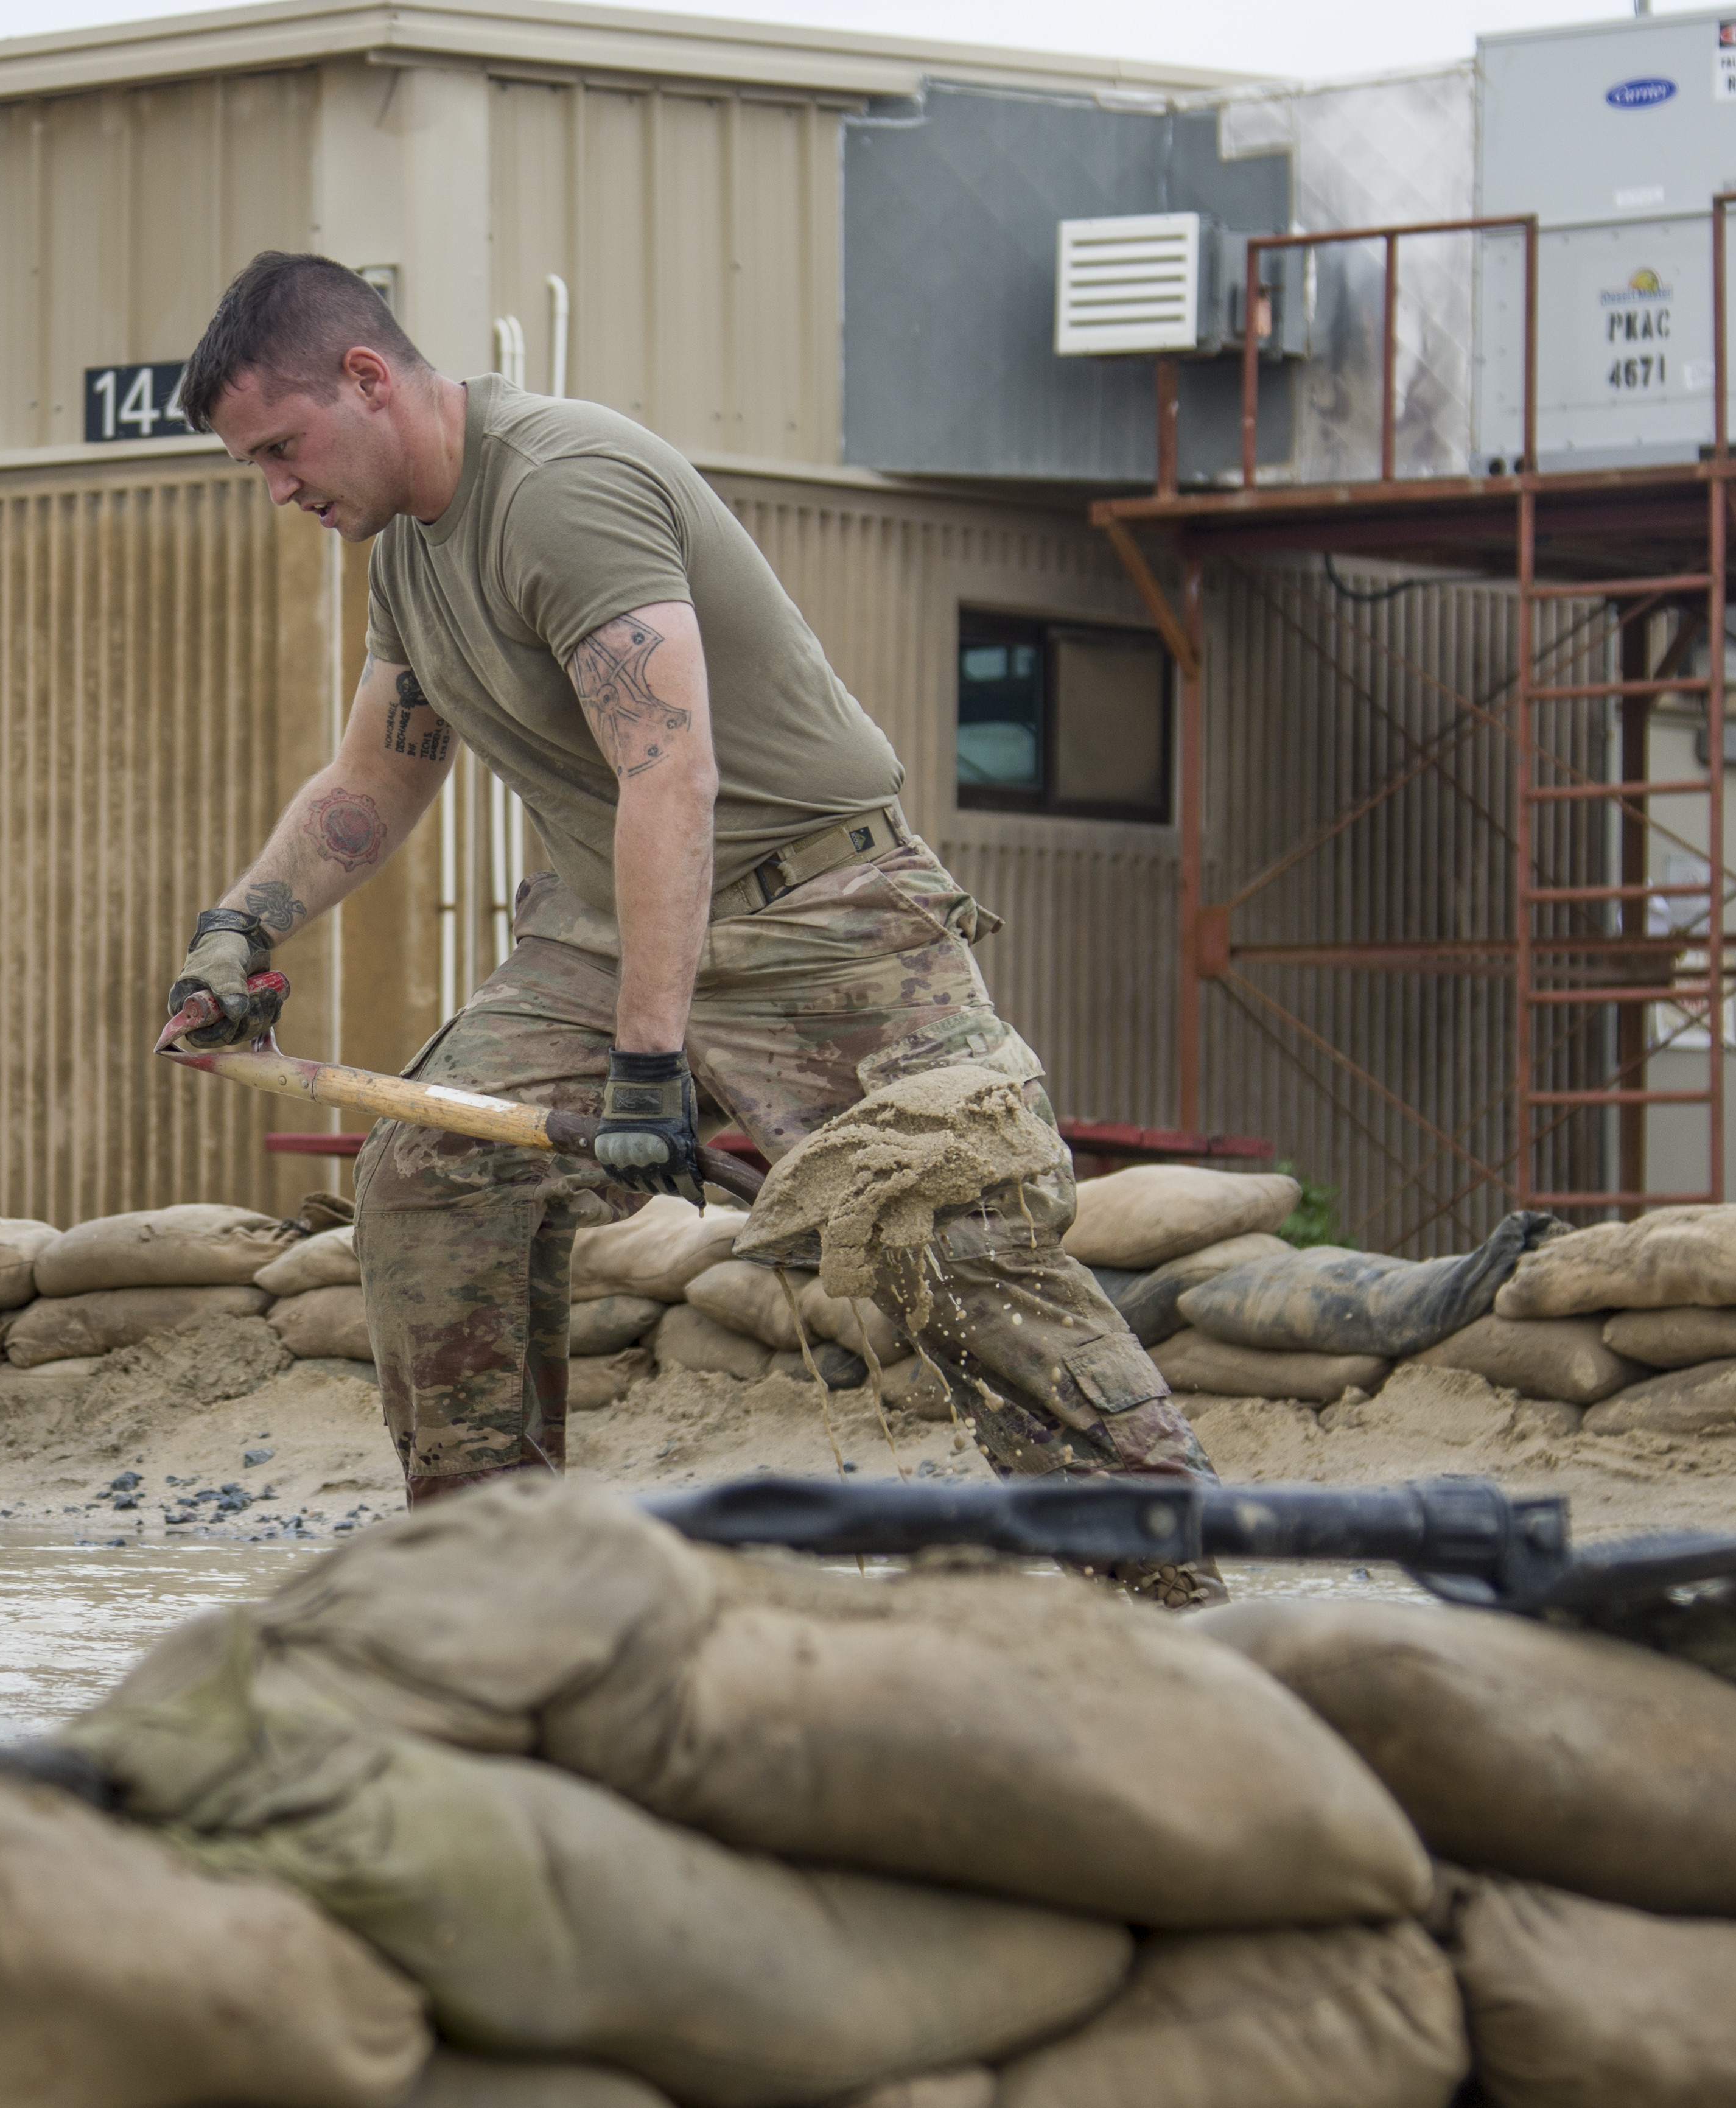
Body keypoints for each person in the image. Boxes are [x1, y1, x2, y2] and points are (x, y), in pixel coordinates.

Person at [161, 251, 1223, 1605]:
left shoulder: (561, 487)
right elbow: (373, 778)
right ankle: (498, 1583)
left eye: (280, 447)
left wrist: (649, 1070)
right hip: (608, 922)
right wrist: (236, 933)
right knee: (429, 1179)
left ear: (368, 379)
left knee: (950, 1240)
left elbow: (673, 770)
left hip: (818, 916)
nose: (278, 488)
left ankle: (1175, 1588)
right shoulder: (410, 556)